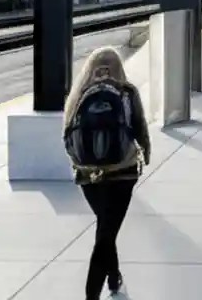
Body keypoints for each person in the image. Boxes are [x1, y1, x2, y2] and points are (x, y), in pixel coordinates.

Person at [63, 47, 151, 299]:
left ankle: (113, 276)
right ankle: (91, 295)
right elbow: (140, 127)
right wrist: (145, 151)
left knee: (106, 227)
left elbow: (67, 134)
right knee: (105, 233)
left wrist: (79, 164)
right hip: (122, 172)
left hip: (88, 176)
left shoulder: (78, 94)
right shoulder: (127, 91)